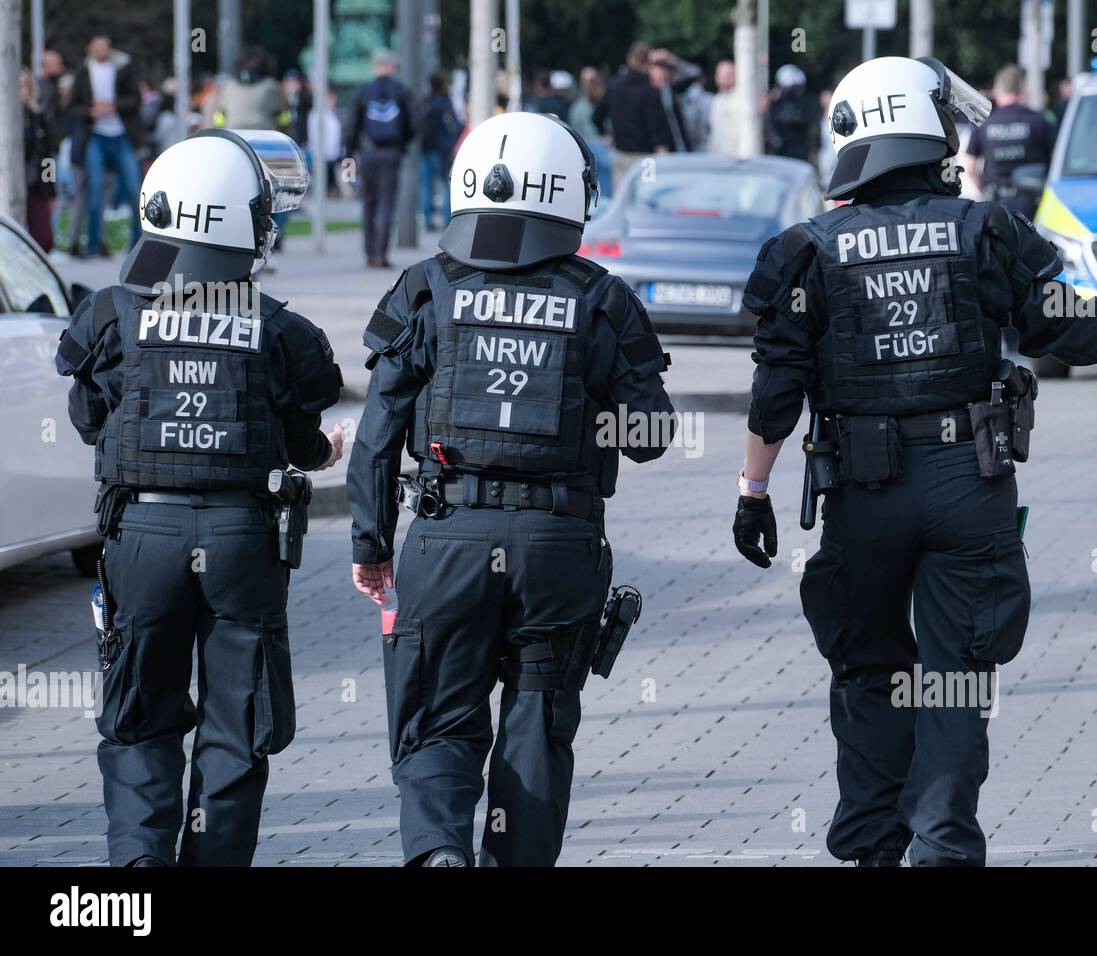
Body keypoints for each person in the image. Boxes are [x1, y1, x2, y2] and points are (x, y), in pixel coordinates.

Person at [731, 56, 1097, 867]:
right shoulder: (985, 229)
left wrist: (752, 494)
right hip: (967, 484)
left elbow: (776, 392)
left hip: (860, 491)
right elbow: (1078, 336)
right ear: (928, 131)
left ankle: (875, 845)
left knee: (869, 669)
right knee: (954, 679)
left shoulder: (804, 249)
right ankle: (944, 847)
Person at [347, 111, 675, 867]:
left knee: (436, 718)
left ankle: (436, 854)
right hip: (559, 547)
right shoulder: (603, 299)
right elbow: (653, 439)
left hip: (446, 537)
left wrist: (370, 544)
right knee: (537, 722)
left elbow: (374, 436)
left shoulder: (425, 289)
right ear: (571, 194)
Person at [54, 129, 346, 867]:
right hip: (242, 539)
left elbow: (90, 420)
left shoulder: (111, 313)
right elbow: (304, 430)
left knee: (140, 717)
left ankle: (138, 870)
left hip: (140, 536)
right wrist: (322, 454)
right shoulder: (281, 327)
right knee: (236, 721)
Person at [69, 34, 143, 258]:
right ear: (89, 50)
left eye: (105, 48)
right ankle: (94, 245)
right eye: (98, 48)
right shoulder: (82, 73)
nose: (102, 52)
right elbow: (74, 107)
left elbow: (135, 99)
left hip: (120, 134)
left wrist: (113, 106)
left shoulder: (122, 69)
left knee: (134, 188)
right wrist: (91, 112)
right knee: (96, 188)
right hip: (96, 136)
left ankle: (138, 243)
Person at [347, 48, 415, 268]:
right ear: (392, 67)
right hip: (392, 153)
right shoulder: (401, 91)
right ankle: (381, 254)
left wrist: (350, 150)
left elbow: (352, 124)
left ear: (375, 67)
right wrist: (402, 145)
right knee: (386, 203)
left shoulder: (364, 91)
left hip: (368, 153)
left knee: (368, 202)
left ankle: (369, 253)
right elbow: (414, 122)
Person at [963, 64, 1057, 218]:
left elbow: (971, 167)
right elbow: (1056, 159)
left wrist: (984, 191)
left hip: (996, 205)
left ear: (997, 91)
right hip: (1034, 205)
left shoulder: (985, 125)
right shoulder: (1040, 121)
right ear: (1022, 89)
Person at [594, 42, 671, 185]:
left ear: (629, 59)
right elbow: (657, 127)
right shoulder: (650, 91)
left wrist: (606, 134)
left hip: (621, 154)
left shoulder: (614, 87)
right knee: (647, 197)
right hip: (647, 158)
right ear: (647, 62)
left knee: (621, 199)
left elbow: (597, 116)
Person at [418, 72, 461, 231]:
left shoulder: (425, 102)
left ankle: (427, 219)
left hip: (425, 148)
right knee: (445, 184)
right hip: (442, 149)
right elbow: (455, 124)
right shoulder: (445, 102)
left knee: (425, 185)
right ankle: (446, 219)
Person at [21, 68, 57, 252]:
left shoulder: (37, 118)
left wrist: (51, 191)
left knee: (44, 239)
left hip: (34, 184)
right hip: (7, 186)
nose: (20, 90)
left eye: (24, 86)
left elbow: (47, 158)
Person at [568, 67, 612, 201]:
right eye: (587, 81)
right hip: (588, 154)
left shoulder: (604, 104)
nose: (591, 85)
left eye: (593, 80)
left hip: (600, 153)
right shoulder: (577, 107)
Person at [766, 63, 821, 163]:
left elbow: (813, 126)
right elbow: (772, 125)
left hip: (801, 151)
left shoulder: (808, 103)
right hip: (781, 152)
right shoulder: (776, 104)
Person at [707, 60, 744, 156]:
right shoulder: (717, 100)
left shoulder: (743, 99)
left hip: (736, 159)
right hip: (717, 156)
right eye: (721, 74)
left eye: (729, 74)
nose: (725, 77)